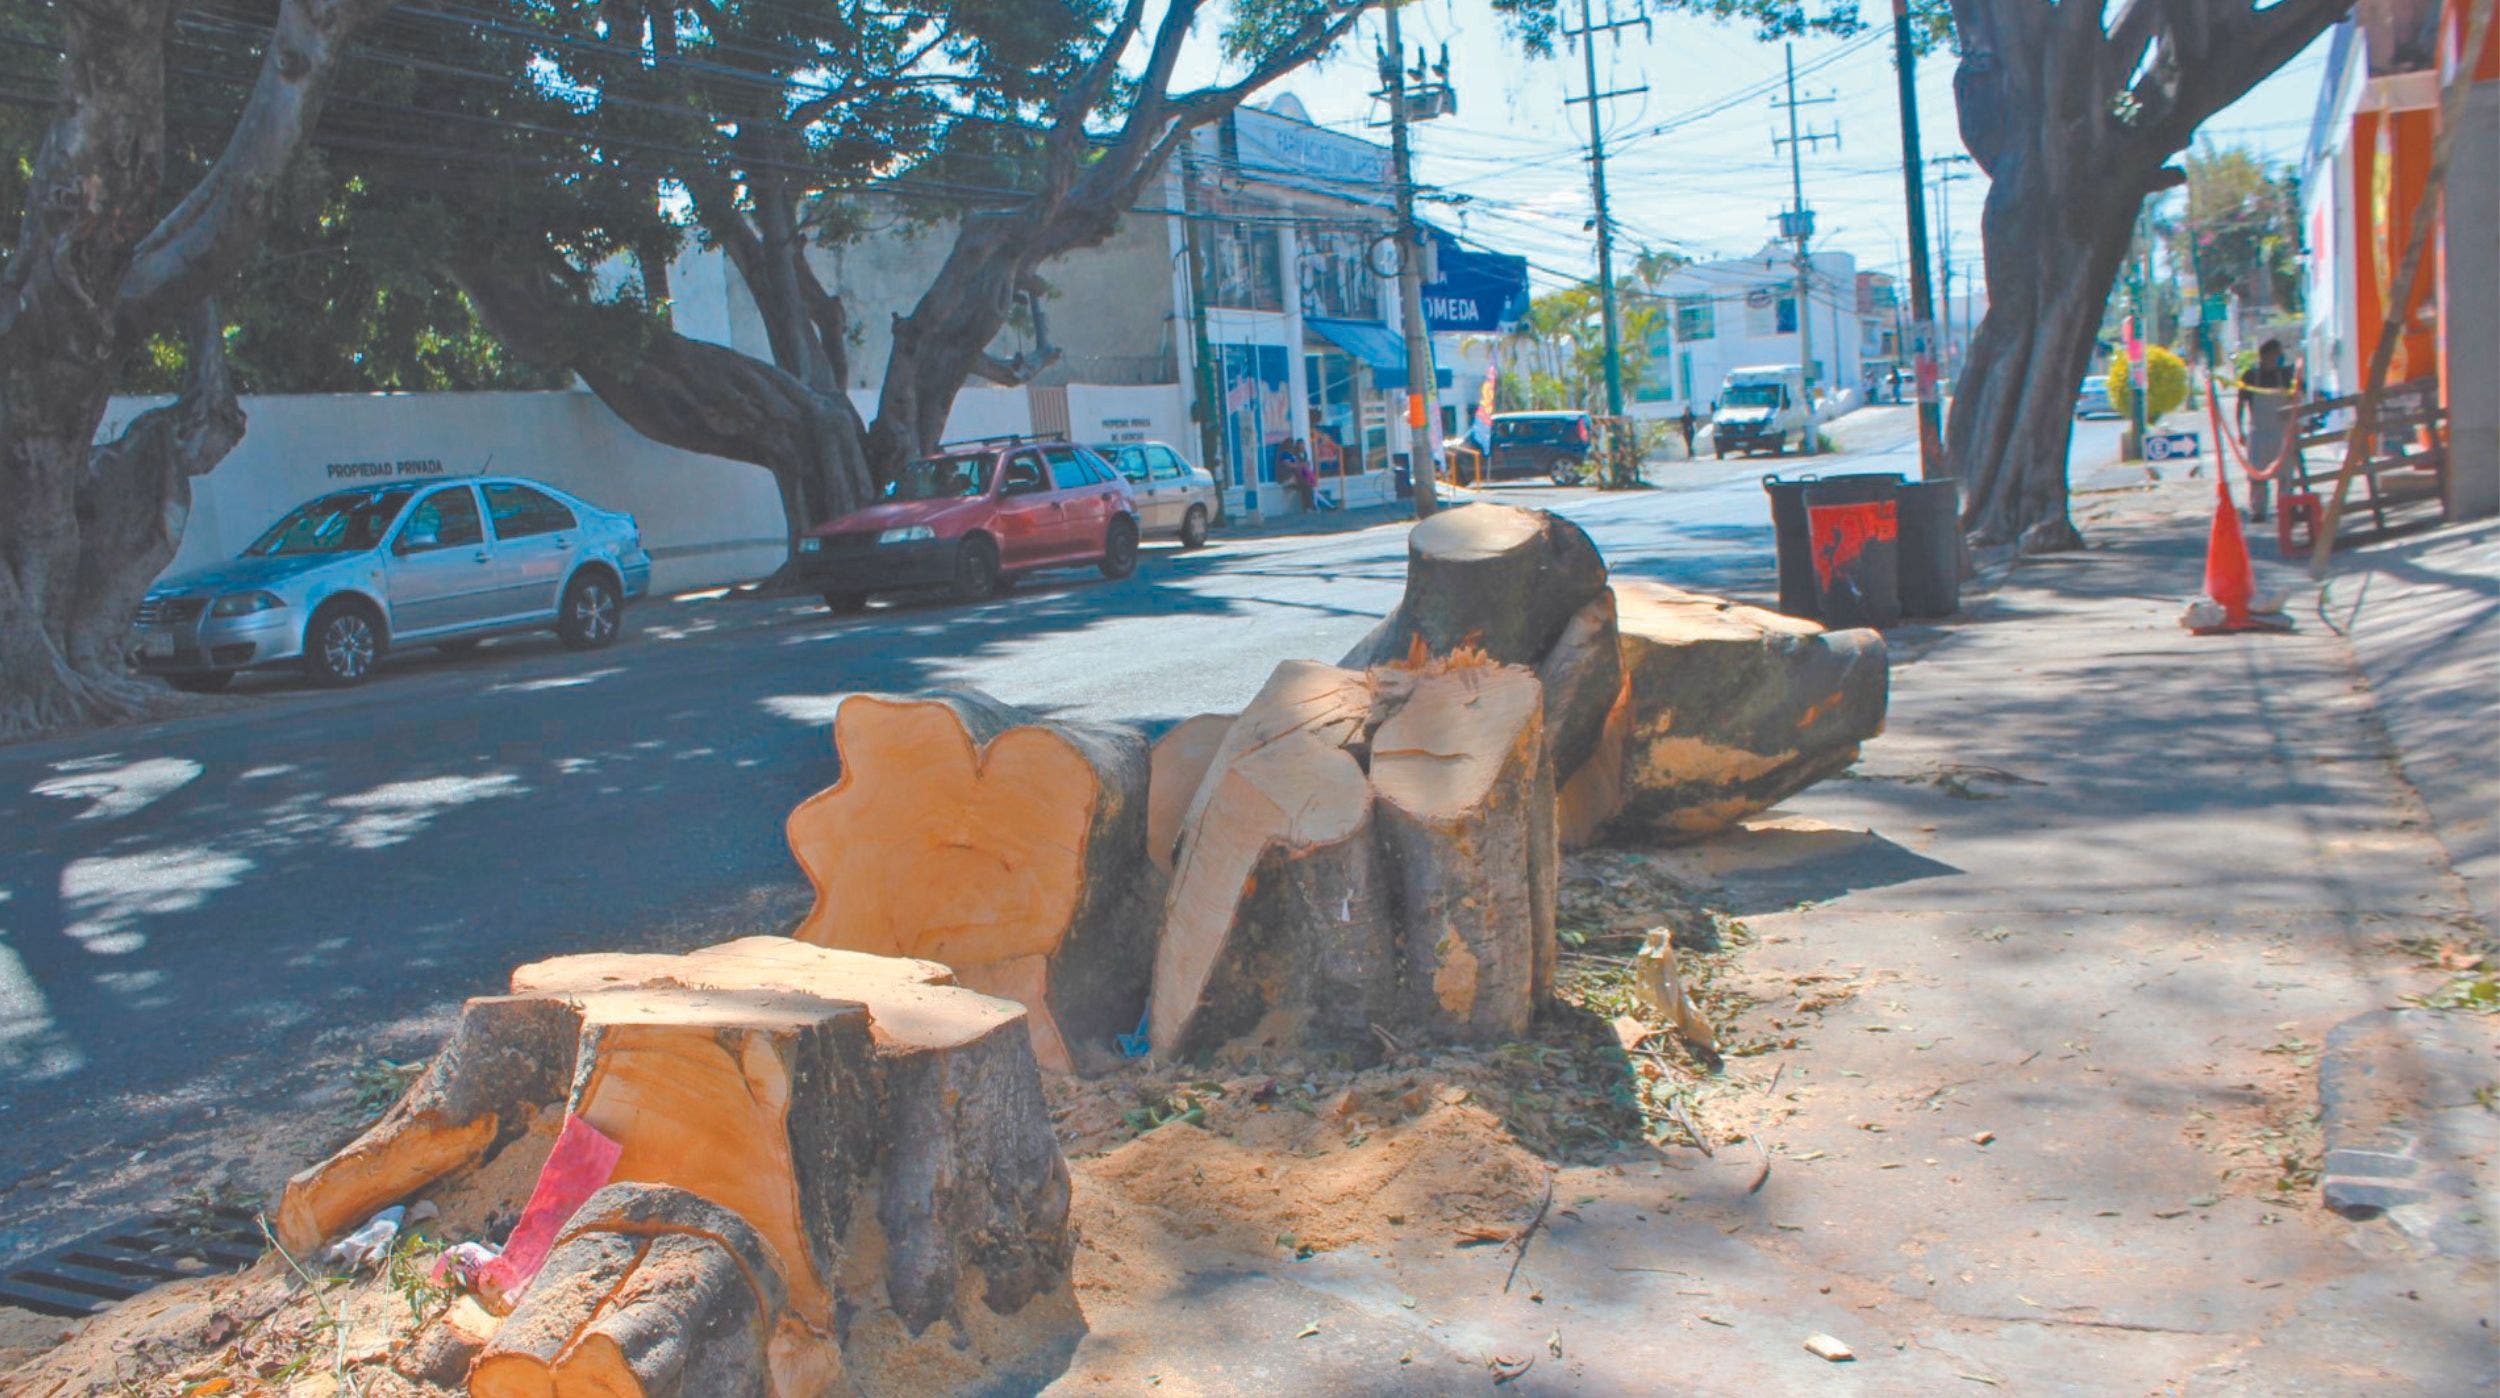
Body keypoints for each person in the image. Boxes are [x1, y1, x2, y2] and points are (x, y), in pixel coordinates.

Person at [2236, 339, 2299, 523]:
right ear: (2264, 356)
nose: (2277, 358)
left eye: (2279, 355)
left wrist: (2297, 425)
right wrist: (2240, 430)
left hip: (2282, 431)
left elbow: (2295, 399)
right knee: (2257, 474)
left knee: (2285, 474)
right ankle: (2258, 510)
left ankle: (2285, 509)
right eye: (2274, 354)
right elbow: (2240, 403)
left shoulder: (2287, 375)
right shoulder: (2250, 377)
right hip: (2259, 432)